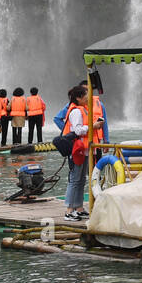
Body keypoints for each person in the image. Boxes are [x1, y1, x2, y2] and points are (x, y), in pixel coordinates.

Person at [61, 83, 101, 221]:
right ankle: (69, 210)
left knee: (81, 180)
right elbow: (77, 130)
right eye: (86, 95)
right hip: (77, 150)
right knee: (74, 180)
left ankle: (78, 208)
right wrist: (93, 126)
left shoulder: (84, 109)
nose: (88, 97)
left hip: (84, 150)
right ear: (78, 98)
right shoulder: (76, 111)